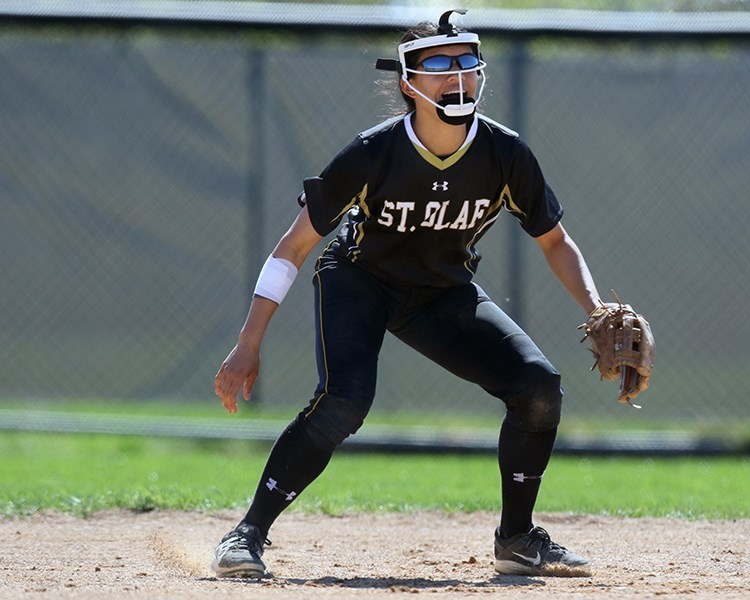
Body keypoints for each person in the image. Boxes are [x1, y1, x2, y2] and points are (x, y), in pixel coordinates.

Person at [211, 9, 609, 579]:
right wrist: (248, 344)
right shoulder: (373, 153)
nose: (457, 75)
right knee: (345, 401)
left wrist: (595, 309)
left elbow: (555, 241)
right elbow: (290, 250)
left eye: (467, 61)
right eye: (438, 64)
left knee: (538, 388)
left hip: (441, 291)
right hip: (360, 279)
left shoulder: (505, 153)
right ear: (408, 82)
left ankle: (517, 539)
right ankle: (245, 534)